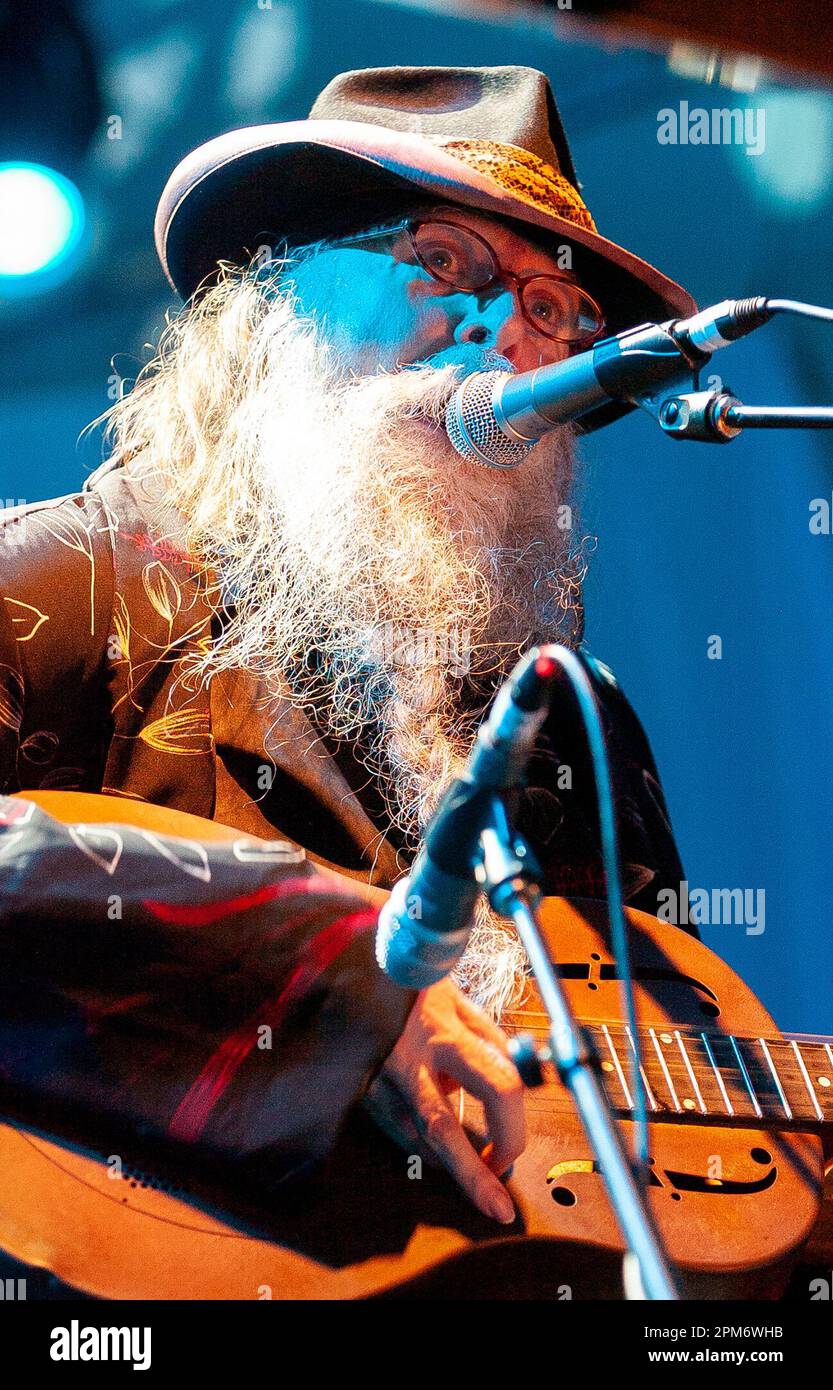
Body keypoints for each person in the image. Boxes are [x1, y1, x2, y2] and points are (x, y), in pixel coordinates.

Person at [0, 65, 695, 1234]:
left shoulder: (565, 725)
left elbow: (671, 1135)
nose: (504, 338)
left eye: (553, 309)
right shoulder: (66, 582)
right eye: (444, 261)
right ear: (271, 288)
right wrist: (317, 972)